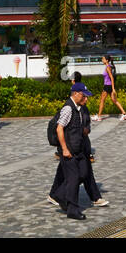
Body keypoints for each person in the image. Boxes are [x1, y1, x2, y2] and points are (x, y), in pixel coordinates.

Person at [51, 82, 93, 220]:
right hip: (69, 151)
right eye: (84, 96)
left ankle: (59, 194)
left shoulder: (79, 108)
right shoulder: (68, 109)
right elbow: (59, 128)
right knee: (73, 179)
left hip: (78, 150)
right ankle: (72, 210)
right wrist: (64, 149)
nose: (86, 99)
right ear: (76, 94)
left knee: (84, 173)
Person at [94, 55, 126, 122]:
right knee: (114, 100)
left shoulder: (108, 67)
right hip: (108, 86)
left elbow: (112, 78)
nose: (102, 60)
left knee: (102, 100)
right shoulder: (108, 66)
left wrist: (113, 89)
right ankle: (125, 114)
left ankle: (99, 116)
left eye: (103, 59)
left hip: (107, 86)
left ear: (107, 60)